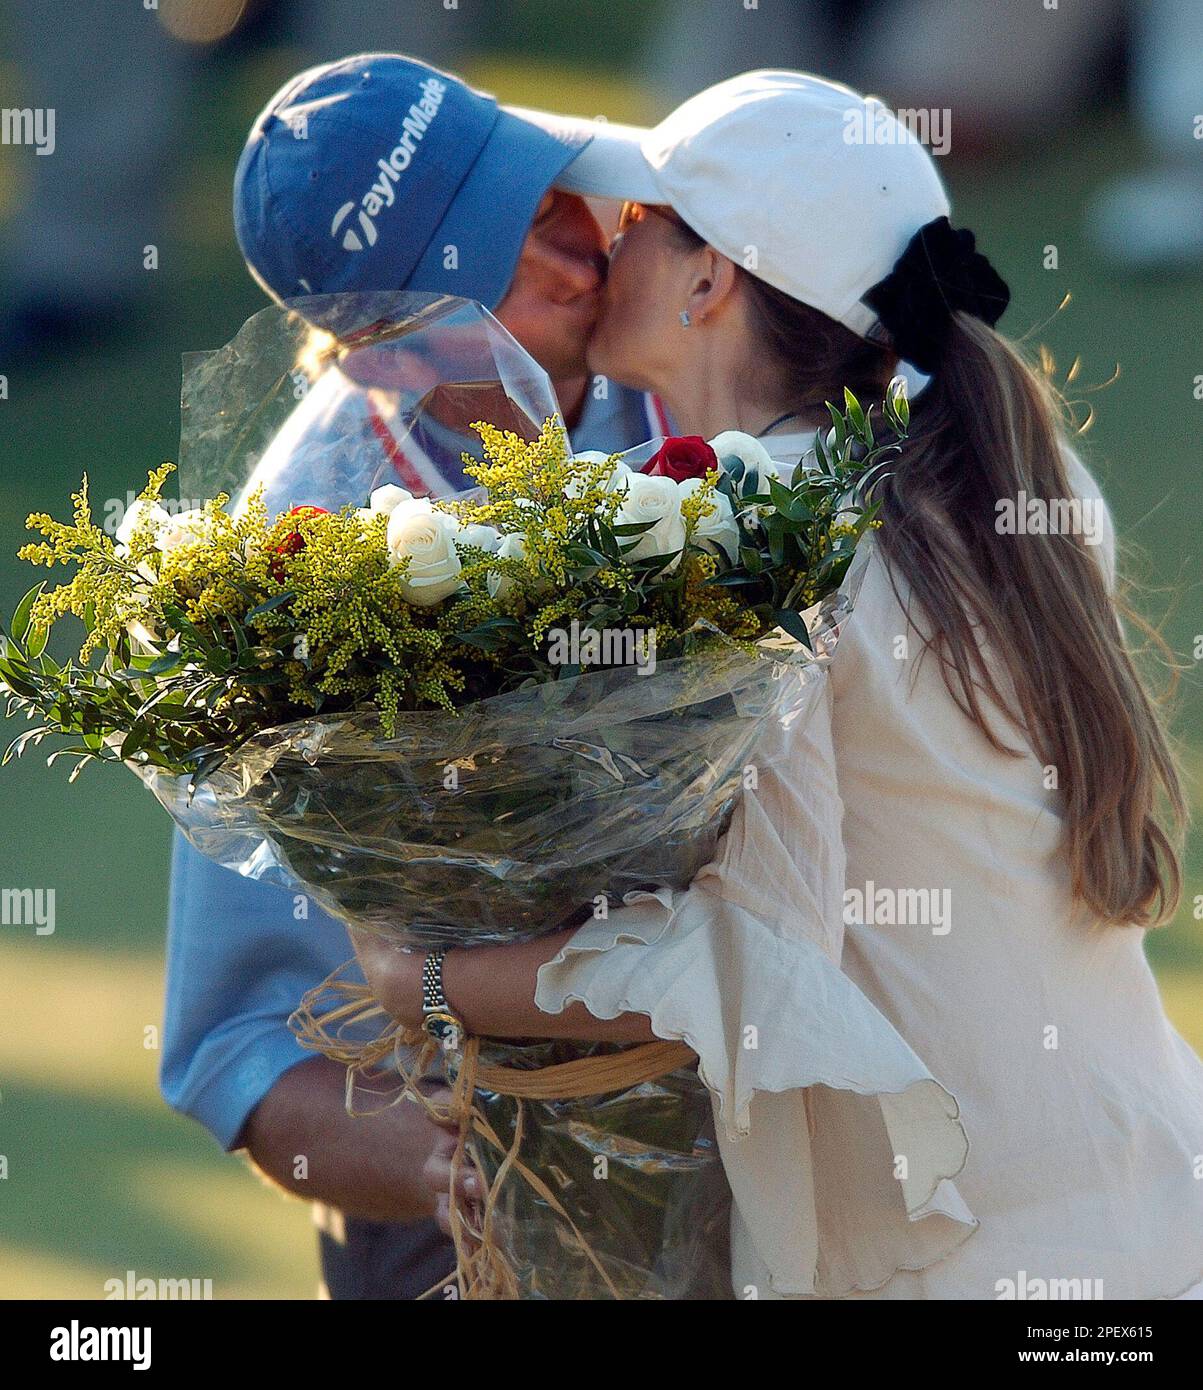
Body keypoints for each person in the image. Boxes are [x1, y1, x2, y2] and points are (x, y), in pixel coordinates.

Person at [357, 71, 1203, 1298]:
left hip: (966, 1260)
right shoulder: (1015, 473)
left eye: (645, 219)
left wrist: (421, 975)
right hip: (1151, 1200)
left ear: (712, 282)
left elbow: (761, 963)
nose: (608, 237)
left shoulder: (750, 539)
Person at [162, 52, 668, 1301]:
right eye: (494, 264)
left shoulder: (705, 333)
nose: (569, 256)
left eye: (537, 191)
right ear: (379, 358)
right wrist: (418, 1163)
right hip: (474, 1207)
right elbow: (232, 1042)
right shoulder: (295, 553)